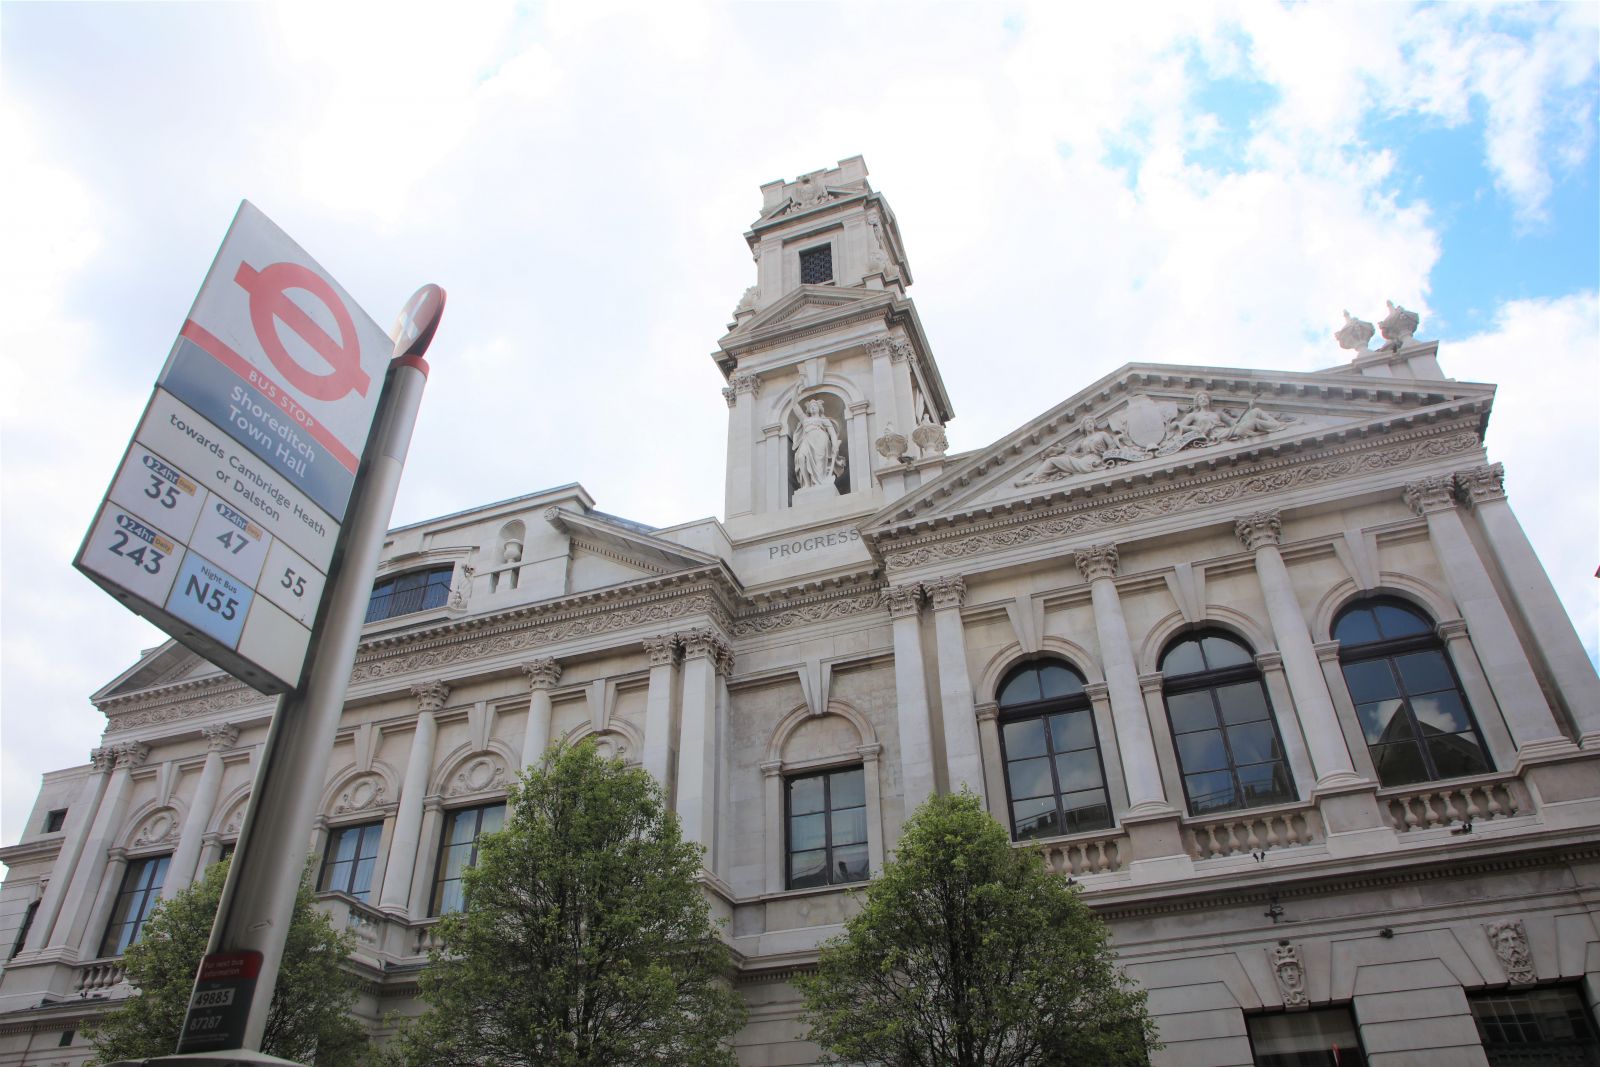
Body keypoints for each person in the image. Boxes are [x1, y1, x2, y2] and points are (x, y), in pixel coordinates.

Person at [793, 399, 842, 488]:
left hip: (820, 438)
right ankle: (807, 484)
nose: (813, 408)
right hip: (807, 439)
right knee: (800, 457)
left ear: (819, 408)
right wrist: (796, 389)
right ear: (808, 410)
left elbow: (832, 433)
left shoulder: (824, 420)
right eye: (811, 407)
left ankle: (820, 483)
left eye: (815, 406)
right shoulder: (804, 419)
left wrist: (835, 445)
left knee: (819, 461)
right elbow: (794, 405)